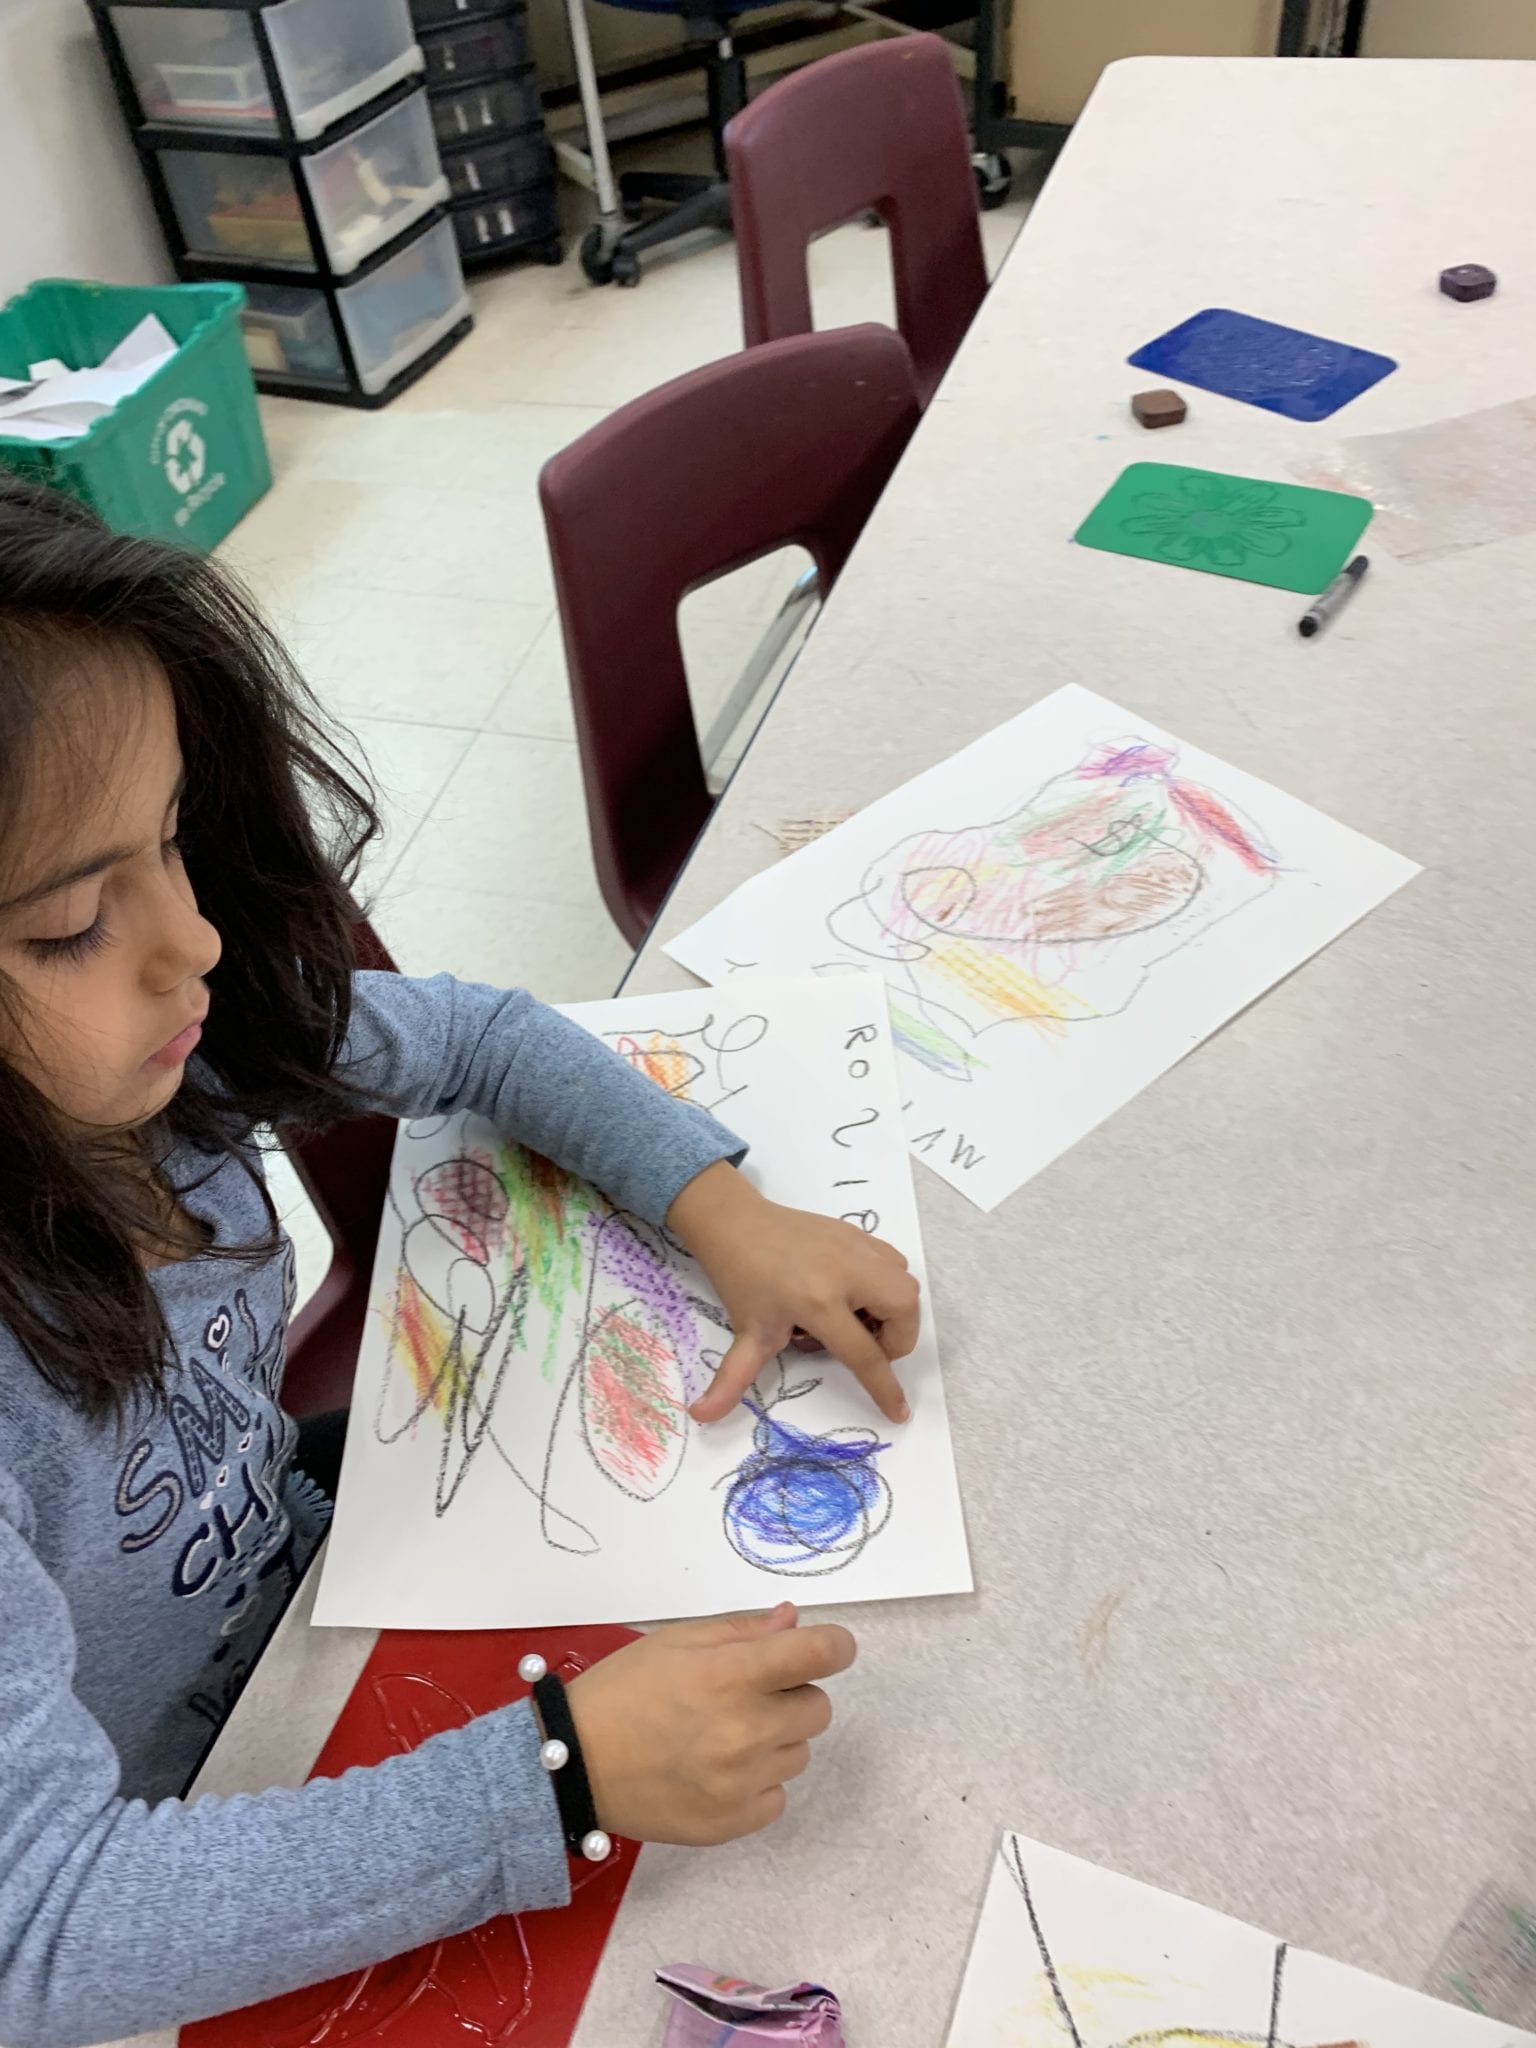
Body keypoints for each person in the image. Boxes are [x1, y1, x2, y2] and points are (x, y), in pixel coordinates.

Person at [0, 477, 921, 2047]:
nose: (195, 942)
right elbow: (48, 1934)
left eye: (169, 845)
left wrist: (724, 1213)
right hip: (176, 1853)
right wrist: (558, 1775)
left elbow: (479, 1034)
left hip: (290, 1609)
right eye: (79, 919)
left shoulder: (161, 1069)